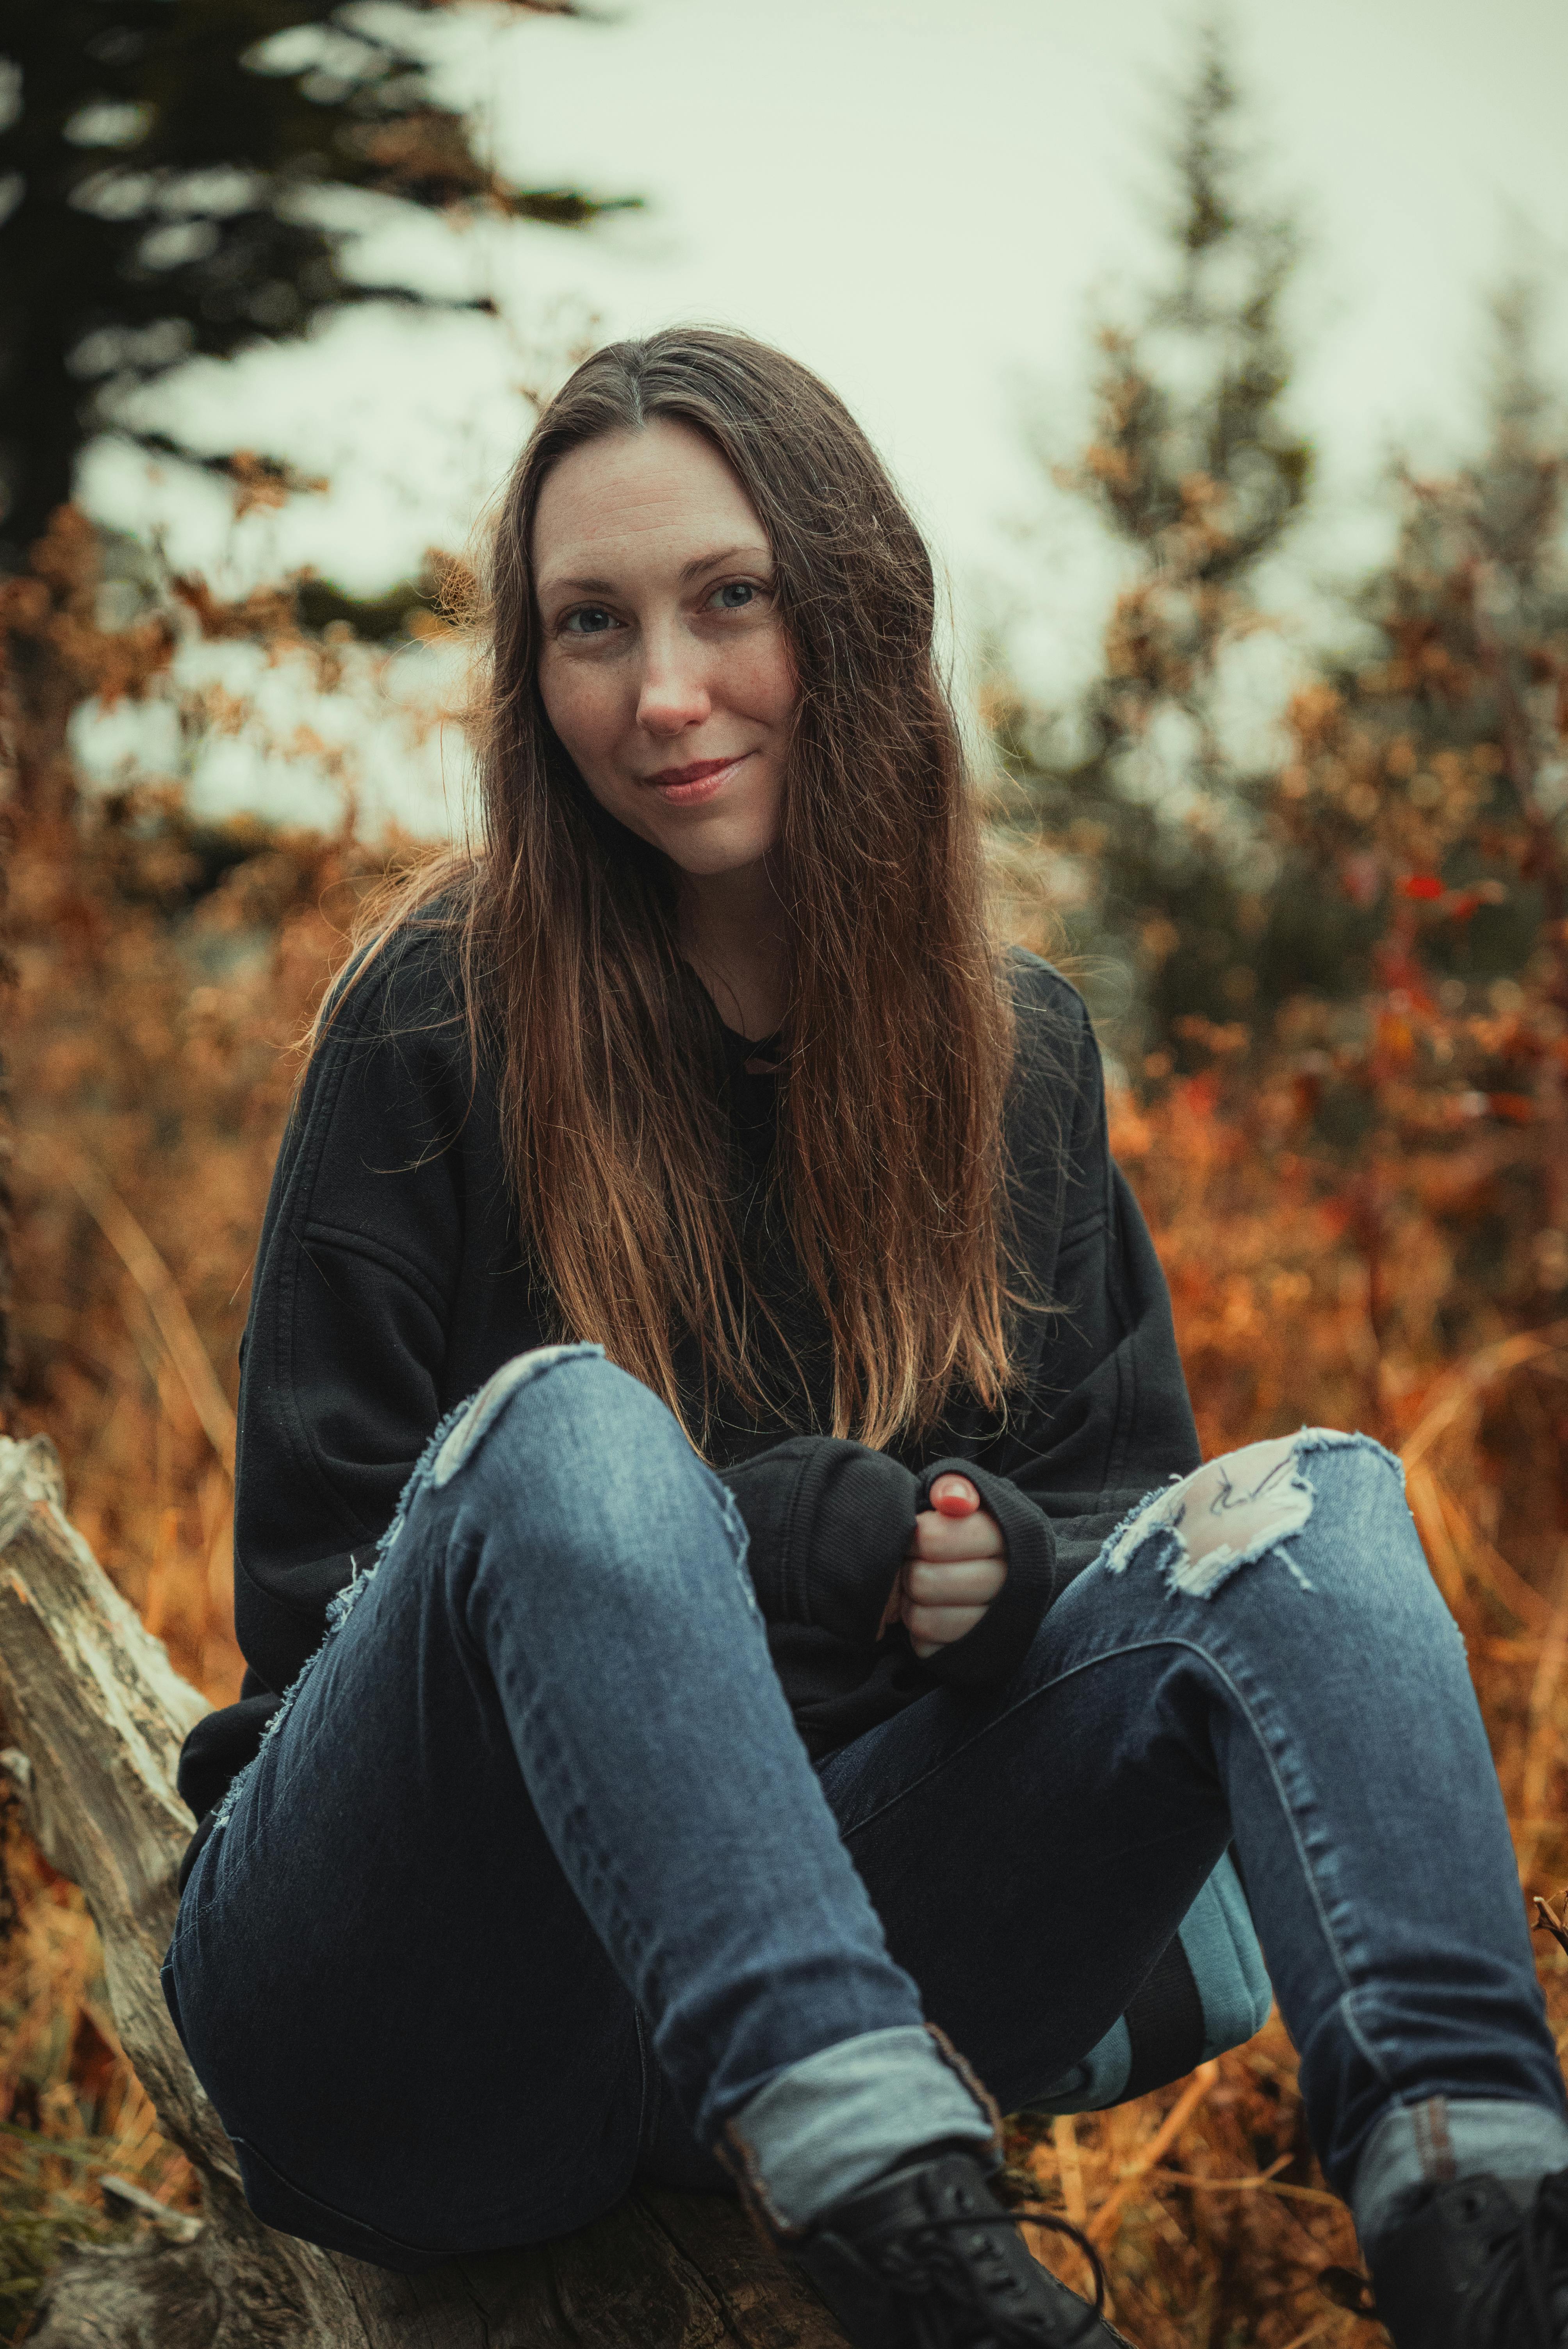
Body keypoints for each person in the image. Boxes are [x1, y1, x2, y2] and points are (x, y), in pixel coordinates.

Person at [162, 327, 1568, 2349]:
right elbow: (321, 1615)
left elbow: (1125, 1545)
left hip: (836, 1969)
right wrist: (760, 1543)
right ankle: (924, 2260)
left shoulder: (1020, 1056)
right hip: (424, 2016)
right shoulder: (436, 1012)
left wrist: (996, 1575)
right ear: (532, 675)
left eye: (729, 598)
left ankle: (1487, 2223)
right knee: (566, 1432)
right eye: (590, 624)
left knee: (1308, 1514)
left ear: (855, 609)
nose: (663, 692)